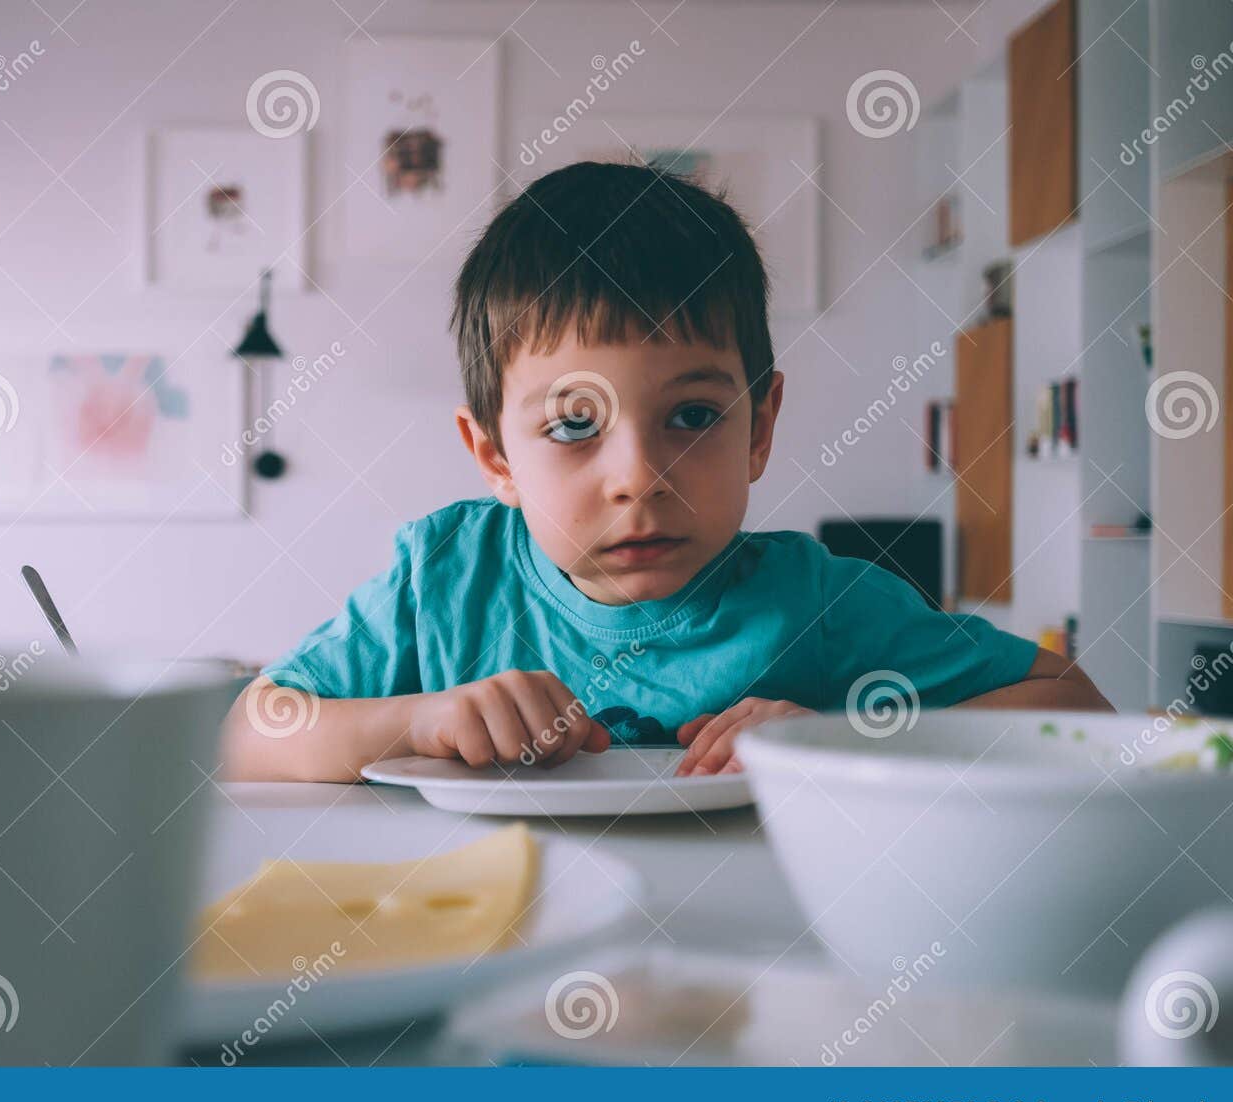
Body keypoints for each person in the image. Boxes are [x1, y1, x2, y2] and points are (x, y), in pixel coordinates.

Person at [223, 161, 1112, 783]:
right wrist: (414, 719)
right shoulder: (443, 582)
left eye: (693, 416)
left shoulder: (820, 606)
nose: (640, 476)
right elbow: (246, 733)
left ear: (760, 426)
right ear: (495, 455)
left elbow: (1075, 707)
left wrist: (853, 738)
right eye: (574, 425)